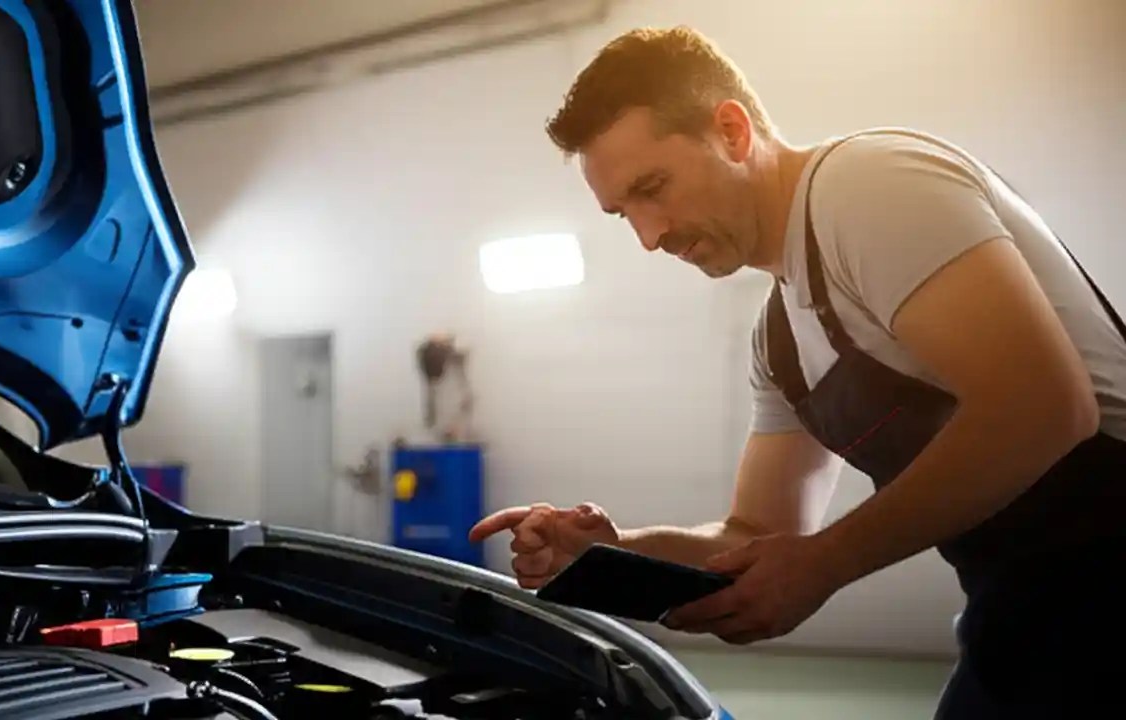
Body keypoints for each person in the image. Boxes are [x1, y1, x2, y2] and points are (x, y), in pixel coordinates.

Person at [467, 25, 1126, 718]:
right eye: (622, 212)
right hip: (1025, 622)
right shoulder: (778, 340)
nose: (649, 235)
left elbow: (1045, 407)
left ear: (731, 130)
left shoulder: (869, 186)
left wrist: (830, 560)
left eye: (653, 188)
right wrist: (612, 553)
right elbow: (755, 534)